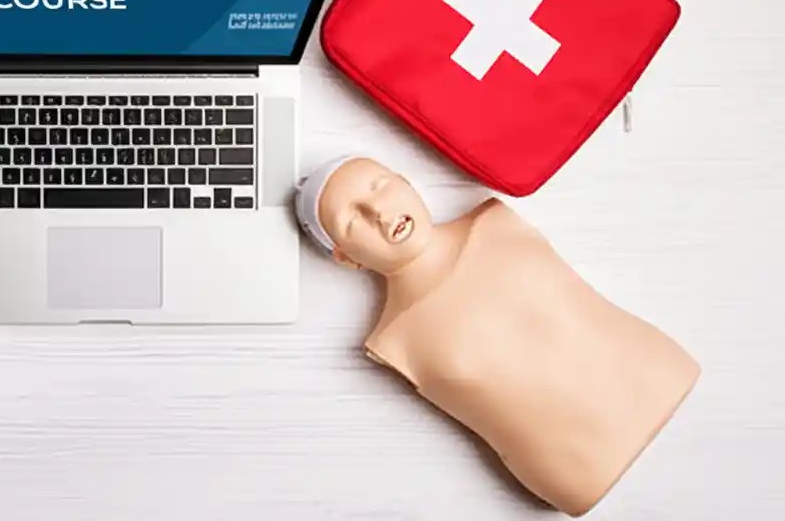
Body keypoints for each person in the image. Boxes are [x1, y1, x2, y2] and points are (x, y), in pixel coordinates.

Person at [296, 156, 699, 516]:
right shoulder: (391, 341)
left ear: (406, 181)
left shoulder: (493, 221)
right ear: (346, 258)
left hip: (655, 371)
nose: (379, 212)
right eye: (352, 221)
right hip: (578, 468)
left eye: (380, 185)